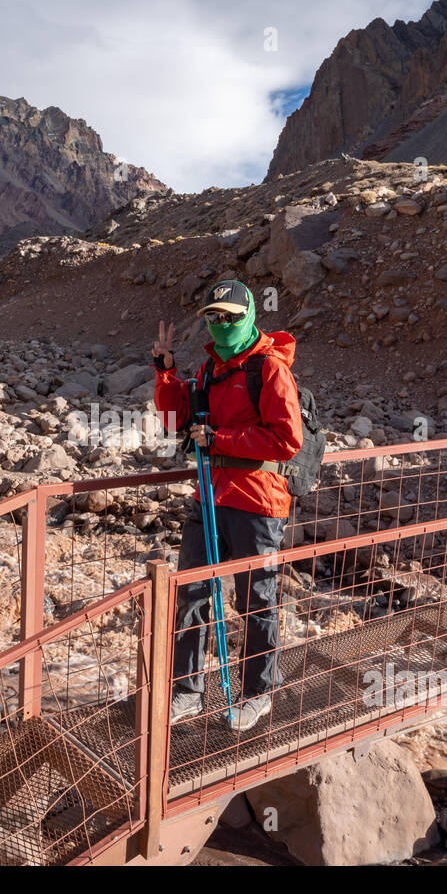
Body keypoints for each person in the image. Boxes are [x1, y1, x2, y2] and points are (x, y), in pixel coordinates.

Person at [151, 279, 303, 731]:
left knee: (257, 599)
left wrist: (221, 439)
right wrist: (165, 371)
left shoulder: (270, 370)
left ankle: (259, 693)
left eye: (229, 317)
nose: (221, 325)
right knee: (193, 593)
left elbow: (287, 439)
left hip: (257, 500)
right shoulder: (207, 370)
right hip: (210, 496)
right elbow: (174, 419)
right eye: (213, 317)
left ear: (249, 315)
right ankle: (188, 692)